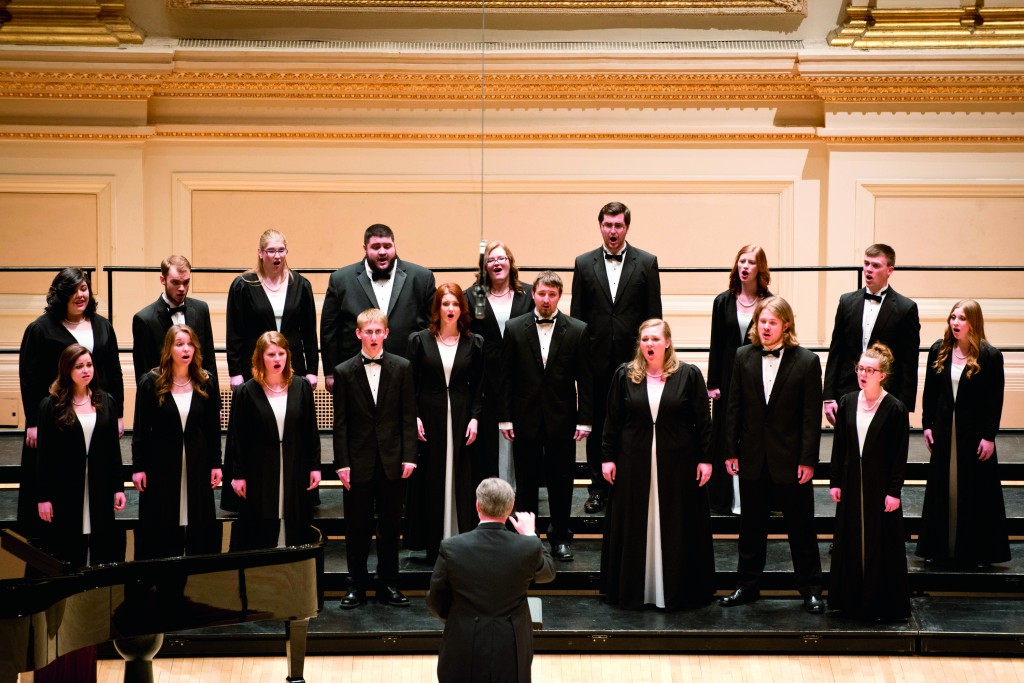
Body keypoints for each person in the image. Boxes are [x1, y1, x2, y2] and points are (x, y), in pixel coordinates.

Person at [720, 296, 825, 614]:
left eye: (771, 322)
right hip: (752, 456)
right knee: (751, 528)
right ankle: (747, 586)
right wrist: (730, 450)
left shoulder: (806, 361)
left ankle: (810, 590)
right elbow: (733, 407)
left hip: (791, 460)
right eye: (761, 321)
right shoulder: (743, 356)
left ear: (786, 325)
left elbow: (811, 416)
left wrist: (808, 459)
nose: (765, 327)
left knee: (801, 529)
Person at [601, 319, 714, 610]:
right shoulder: (624, 375)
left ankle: (676, 590)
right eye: (645, 339)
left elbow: (703, 421)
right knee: (635, 522)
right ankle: (635, 591)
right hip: (632, 462)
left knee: (675, 522)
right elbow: (612, 420)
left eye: (655, 339)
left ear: (667, 342)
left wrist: (706, 459)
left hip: (677, 464)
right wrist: (607, 457)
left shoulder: (688, 374)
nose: (649, 344)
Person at [18, 267, 124, 538]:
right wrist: (33, 422)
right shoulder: (41, 329)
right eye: (74, 290)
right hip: (55, 419)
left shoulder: (102, 325)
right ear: (61, 294)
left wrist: (118, 414)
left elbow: (113, 370)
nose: (81, 295)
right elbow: (29, 377)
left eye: (84, 288)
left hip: (94, 411)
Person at [571, 201, 661, 514]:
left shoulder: (647, 262)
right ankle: (597, 489)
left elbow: (654, 316)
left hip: (632, 359)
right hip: (594, 360)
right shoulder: (583, 263)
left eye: (618, 225)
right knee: (595, 424)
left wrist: (651, 358)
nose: (613, 231)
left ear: (627, 227)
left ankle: (628, 487)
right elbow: (577, 319)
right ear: (600, 226)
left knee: (631, 422)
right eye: (608, 225)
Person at [500, 271, 593, 563]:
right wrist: (505, 418)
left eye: (552, 295)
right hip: (524, 417)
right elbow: (506, 378)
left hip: (562, 418)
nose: (546, 300)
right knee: (526, 482)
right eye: (541, 294)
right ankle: (528, 539)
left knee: (561, 481)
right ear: (533, 294)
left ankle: (561, 537)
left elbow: (586, 380)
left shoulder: (577, 330)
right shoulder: (514, 328)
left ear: (559, 297)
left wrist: (585, 419)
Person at [426, 477, 556, 683]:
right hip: (511, 642)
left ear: (477, 505)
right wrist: (531, 535)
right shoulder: (527, 547)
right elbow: (547, 573)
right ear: (510, 507)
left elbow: (435, 598)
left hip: (463, 638)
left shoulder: (452, 547)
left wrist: (458, 618)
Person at [332, 308, 418, 608]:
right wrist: (341, 462)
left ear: (386, 333)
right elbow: (339, 422)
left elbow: (408, 416)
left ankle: (388, 584)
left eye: (377, 331)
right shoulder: (343, 371)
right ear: (358, 334)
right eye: (367, 332)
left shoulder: (403, 367)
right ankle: (356, 585)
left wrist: (410, 455)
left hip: (393, 460)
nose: (372, 336)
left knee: (391, 526)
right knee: (356, 527)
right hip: (356, 462)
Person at [916, 300, 1009, 568]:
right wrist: (927, 424)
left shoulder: (990, 356)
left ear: (974, 323)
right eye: (952, 317)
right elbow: (930, 393)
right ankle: (938, 548)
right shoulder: (940, 350)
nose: (955, 323)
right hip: (944, 431)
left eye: (962, 318)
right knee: (941, 488)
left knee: (976, 490)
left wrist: (989, 436)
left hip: (974, 434)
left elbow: (995, 399)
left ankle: (977, 551)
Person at [828, 343, 911, 621]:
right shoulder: (848, 401)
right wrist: (835, 481)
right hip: (851, 481)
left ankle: (880, 602)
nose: (863, 374)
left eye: (869, 370)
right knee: (850, 539)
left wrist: (894, 491)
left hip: (880, 485)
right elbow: (839, 446)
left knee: (880, 544)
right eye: (860, 368)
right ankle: (850, 599)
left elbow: (900, 455)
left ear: (882, 375)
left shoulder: (895, 408)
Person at [406, 284, 485, 562]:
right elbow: (410, 384)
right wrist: (413, 416)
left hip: (463, 416)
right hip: (430, 416)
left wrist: (475, 417)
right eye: (445, 304)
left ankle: (461, 539)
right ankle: (433, 542)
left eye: (455, 304)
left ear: (462, 309)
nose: (450, 309)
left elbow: (479, 386)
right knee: (432, 475)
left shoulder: (474, 342)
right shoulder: (419, 341)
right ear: (437, 308)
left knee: (462, 474)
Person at [132, 325, 223, 559]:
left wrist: (216, 463)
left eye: (190, 344)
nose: (186, 349)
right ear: (168, 348)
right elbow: (141, 429)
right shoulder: (150, 383)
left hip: (198, 462)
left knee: (198, 523)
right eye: (179, 344)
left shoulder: (206, 381)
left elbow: (213, 428)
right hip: (162, 464)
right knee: (164, 523)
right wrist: (138, 467)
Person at [36, 344, 127, 568]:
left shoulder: (106, 401)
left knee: (101, 550)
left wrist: (118, 487)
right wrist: (43, 497)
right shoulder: (51, 405)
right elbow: (44, 456)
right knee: (67, 550)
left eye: (89, 365)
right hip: (66, 489)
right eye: (79, 366)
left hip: (100, 486)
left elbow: (113, 451)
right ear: (67, 370)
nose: (86, 370)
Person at [228, 331, 321, 550]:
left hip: (295, 465)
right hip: (259, 469)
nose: (277, 359)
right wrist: (238, 474)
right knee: (261, 527)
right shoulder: (246, 391)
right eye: (271, 354)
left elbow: (310, 431)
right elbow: (237, 438)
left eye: (281, 353)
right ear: (260, 357)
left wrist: (315, 467)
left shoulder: (301, 387)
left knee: (295, 524)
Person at [321, 223, 436, 388]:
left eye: (387, 246)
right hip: (355, 374)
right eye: (376, 247)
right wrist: (330, 373)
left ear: (394, 246)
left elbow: (432, 326)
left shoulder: (422, 278)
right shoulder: (341, 280)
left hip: (408, 372)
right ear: (365, 248)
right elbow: (329, 330)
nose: (382, 252)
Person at [707, 244, 772, 515]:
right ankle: (726, 499)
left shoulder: (769, 302)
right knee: (726, 435)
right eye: (741, 261)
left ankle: (755, 498)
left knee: (754, 435)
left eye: (751, 262)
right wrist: (712, 383)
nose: (745, 267)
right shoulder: (723, 301)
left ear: (760, 268)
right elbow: (716, 344)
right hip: (726, 378)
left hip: (757, 379)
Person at [824, 244, 920, 425]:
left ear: (889, 270)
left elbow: (909, 361)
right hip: (847, 392)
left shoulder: (906, 308)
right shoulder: (846, 301)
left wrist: (904, 406)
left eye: (876, 265)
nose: (868, 269)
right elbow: (836, 351)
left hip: (886, 394)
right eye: (866, 263)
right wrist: (828, 396)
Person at [467, 240, 534, 484]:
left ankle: (519, 495)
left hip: (522, 375)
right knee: (490, 439)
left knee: (520, 435)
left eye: (501, 258)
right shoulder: (475, 296)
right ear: (484, 267)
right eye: (491, 260)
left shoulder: (527, 293)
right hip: (487, 376)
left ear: (510, 262)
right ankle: (492, 495)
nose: (497, 263)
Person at [225, 229, 319, 389]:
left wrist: (312, 370)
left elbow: (309, 332)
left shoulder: (300, 284)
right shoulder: (243, 285)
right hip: (255, 365)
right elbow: (234, 332)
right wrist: (235, 371)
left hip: (293, 365)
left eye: (281, 250)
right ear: (260, 253)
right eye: (271, 251)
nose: (277, 256)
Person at [132, 255, 218, 390]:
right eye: (176, 282)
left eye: (186, 282)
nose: (182, 288)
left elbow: (209, 361)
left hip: (198, 395)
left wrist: (216, 405)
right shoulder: (145, 319)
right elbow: (143, 375)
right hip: (163, 399)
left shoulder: (201, 309)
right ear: (163, 280)